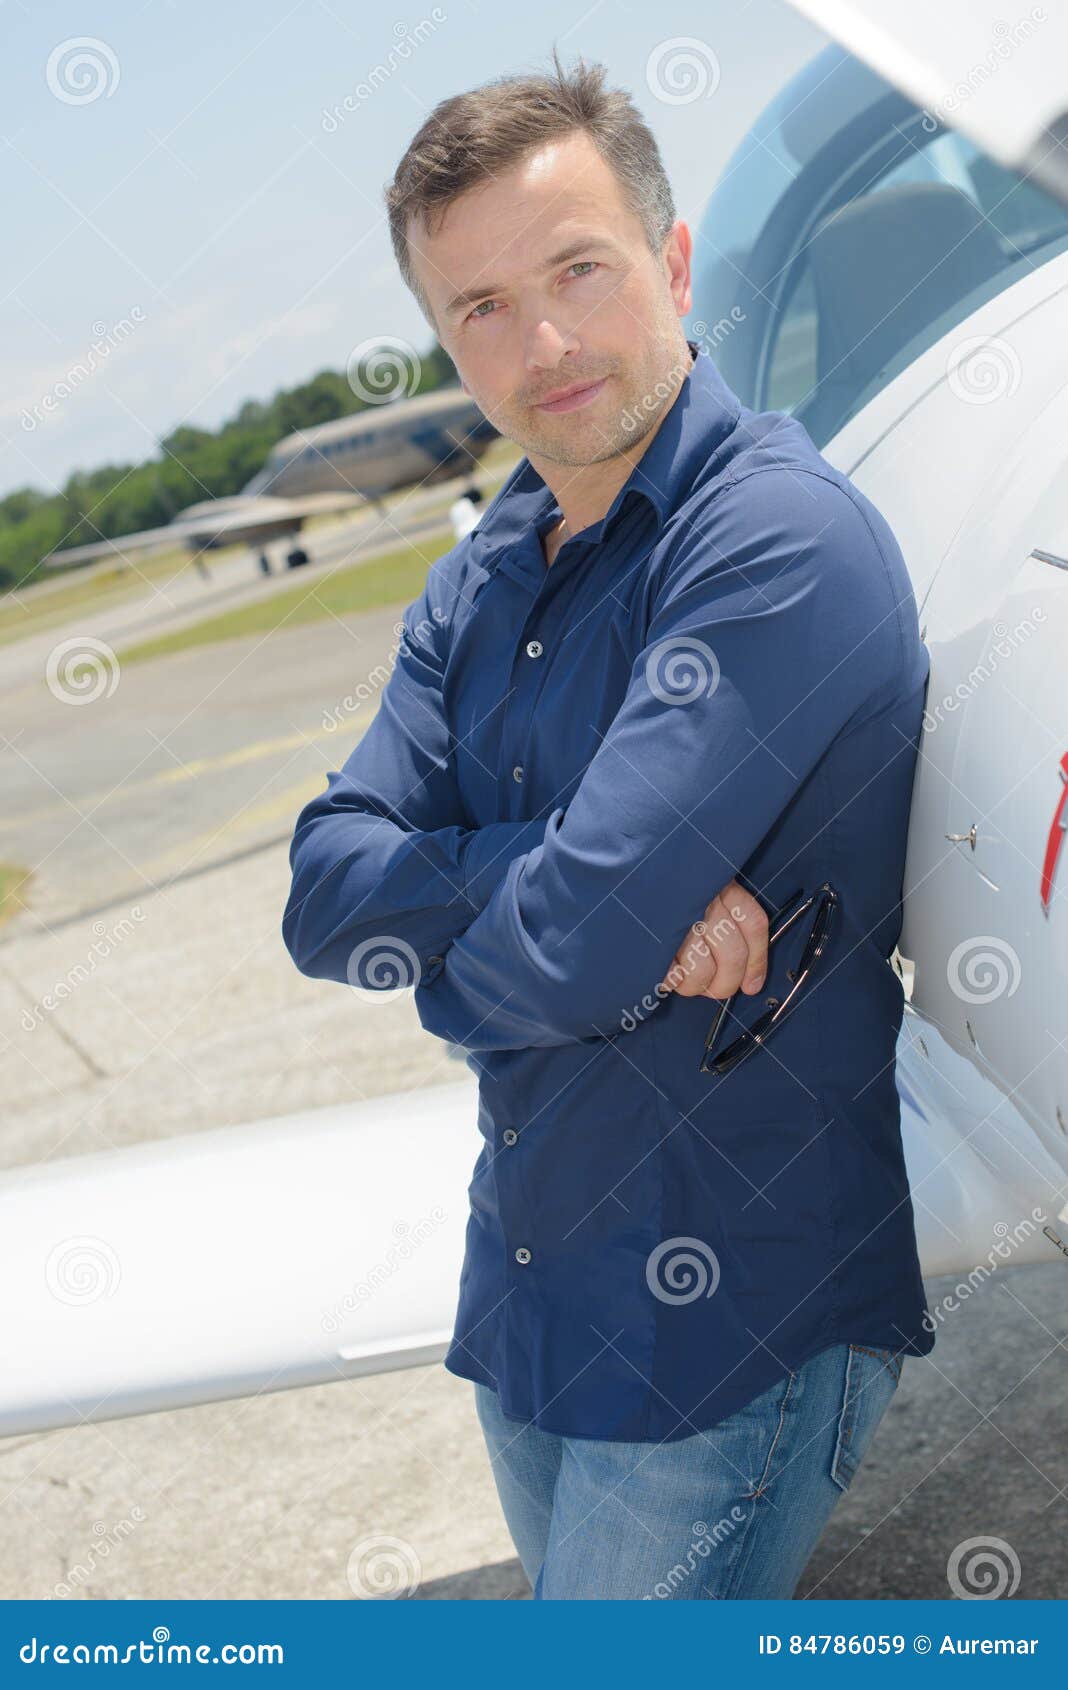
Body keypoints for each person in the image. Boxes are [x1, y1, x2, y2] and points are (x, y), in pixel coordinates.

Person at [282, 46, 934, 1599]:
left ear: (674, 261)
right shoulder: (479, 580)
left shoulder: (775, 543)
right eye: (481, 307)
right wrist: (558, 880)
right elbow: (324, 892)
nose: (546, 343)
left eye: (579, 269)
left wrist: (481, 933)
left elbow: (571, 949)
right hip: (530, 1296)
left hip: (729, 1335)